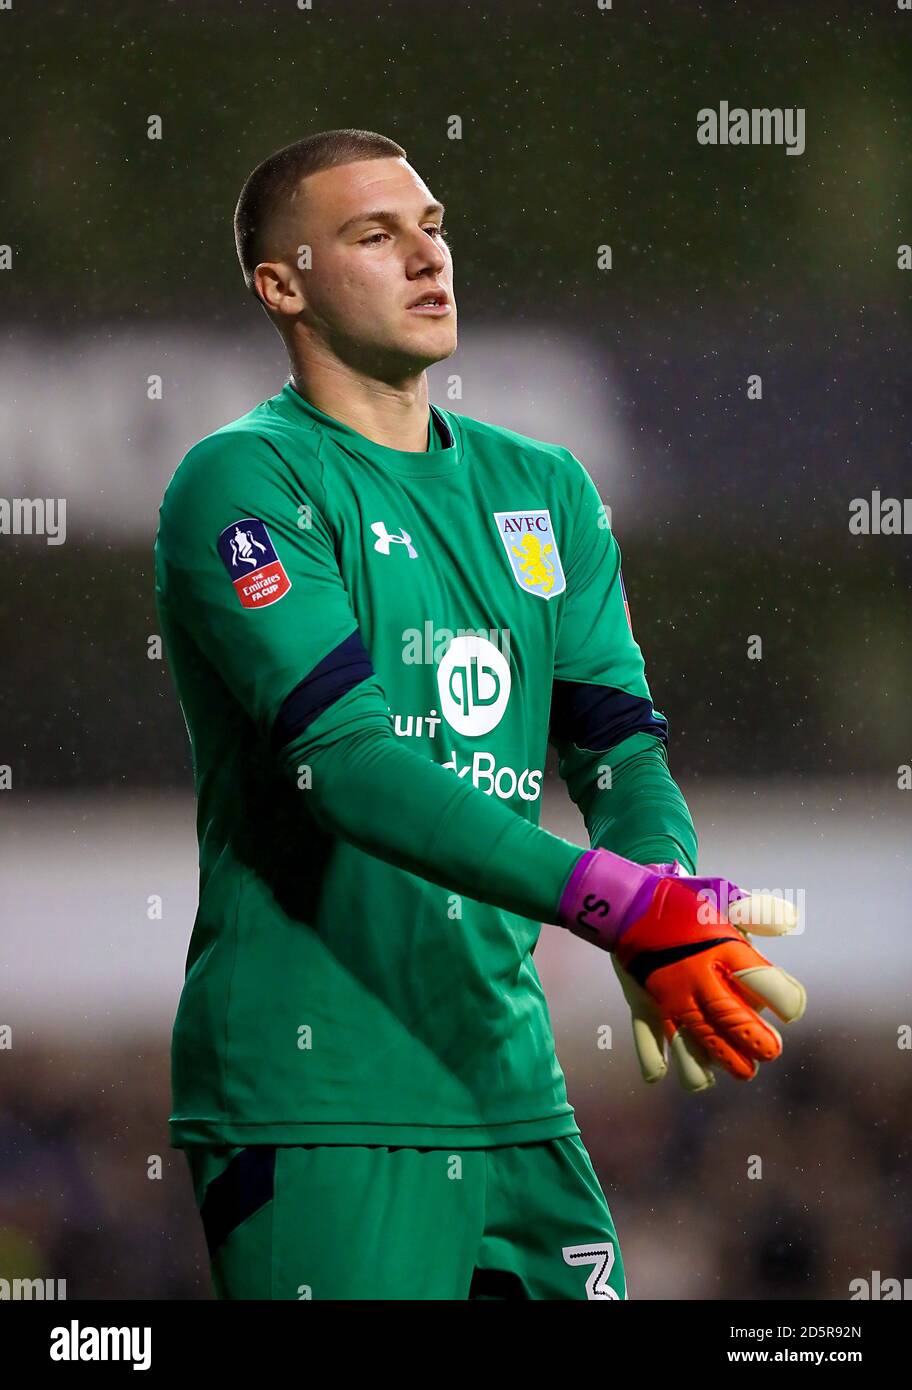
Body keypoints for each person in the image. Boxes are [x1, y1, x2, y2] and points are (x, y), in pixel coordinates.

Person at [154, 128, 805, 1301]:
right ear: (281, 285)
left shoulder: (543, 487)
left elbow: (621, 751)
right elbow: (346, 768)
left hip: (512, 1089)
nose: (426, 255)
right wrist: (617, 905)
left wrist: (668, 901)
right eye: (374, 234)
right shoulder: (243, 481)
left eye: (434, 226)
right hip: (322, 1104)